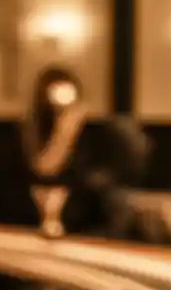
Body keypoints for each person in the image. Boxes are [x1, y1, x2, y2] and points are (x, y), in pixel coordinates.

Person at [20, 66, 119, 235]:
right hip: (35, 200)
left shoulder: (88, 127)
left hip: (79, 203)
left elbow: (96, 172)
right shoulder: (33, 126)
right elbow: (41, 167)